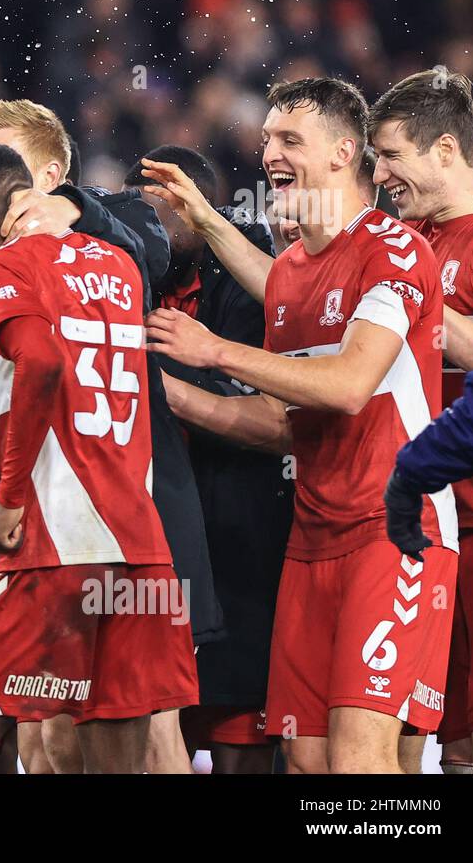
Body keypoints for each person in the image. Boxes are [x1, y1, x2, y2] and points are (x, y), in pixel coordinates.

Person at [143, 77, 458, 773]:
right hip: (313, 538)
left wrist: (216, 350)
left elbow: (348, 386)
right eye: (265, 141)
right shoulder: (293, 272)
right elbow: (286, 420)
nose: (269, 154)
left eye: (290, 140)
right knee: (308, 760)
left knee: (358, 761)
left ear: (347, 151)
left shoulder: (393, 250)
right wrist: (202, 212)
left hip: (394, 533)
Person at [0, 142, 197, 774]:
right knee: (117, 762)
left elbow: (41, 359)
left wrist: (7, 500)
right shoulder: (118, 265)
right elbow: (68, 317)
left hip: (51, 546)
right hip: (138, 548)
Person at [126, 145, 292, 774]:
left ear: (202, 213)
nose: (148, 234)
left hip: (241, 547)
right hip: (150, 549)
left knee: (240, 743)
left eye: (163, 215)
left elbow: (280, 417)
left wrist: (157, 385)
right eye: (135, 218)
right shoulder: (116, 281)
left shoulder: (256, 277)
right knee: (139, 741)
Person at [369, 69, 473, 773]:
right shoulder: (404, 240)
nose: (380, 174)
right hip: (417, 526)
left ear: (445, 149)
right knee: (430, 745)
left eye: (391, 156)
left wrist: (404, 301)